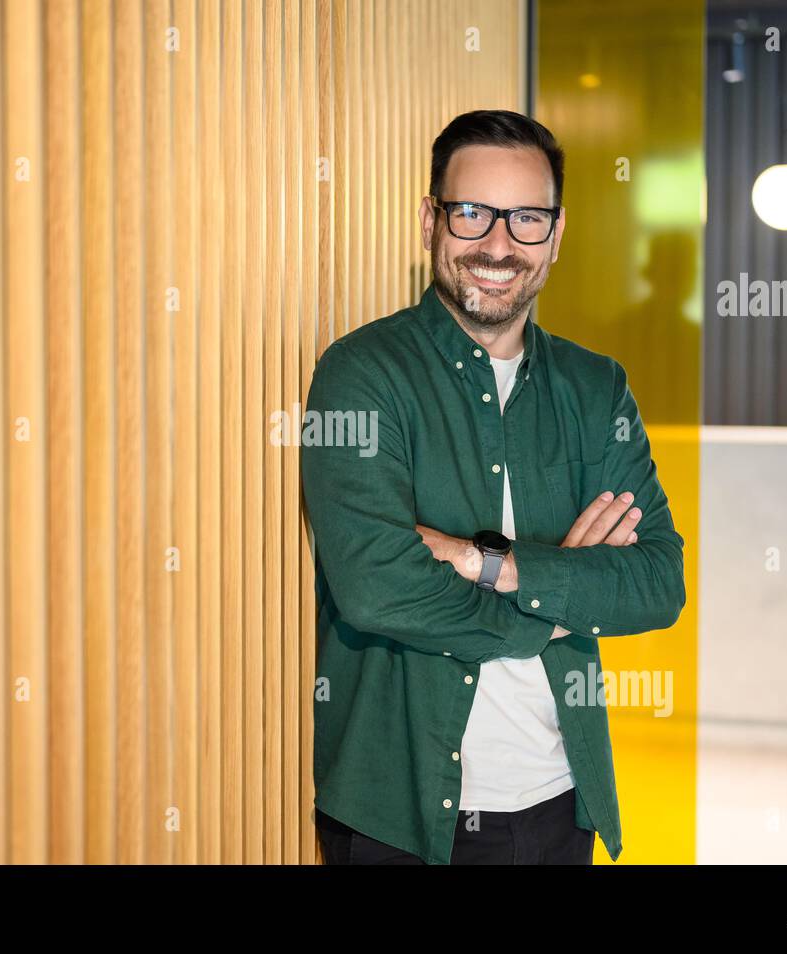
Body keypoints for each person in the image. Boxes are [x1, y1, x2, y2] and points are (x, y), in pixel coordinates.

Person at [301, 109, 686, 865]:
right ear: (429, 220)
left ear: (557, 232)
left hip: (559, 803)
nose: (499, 246)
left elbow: (656, 583)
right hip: (399, 815)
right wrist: (552, 608)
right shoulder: (362, 374)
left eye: (528, 218)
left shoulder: (595, 387)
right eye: (472, 212)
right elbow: (378, 588)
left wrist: (492, 563)